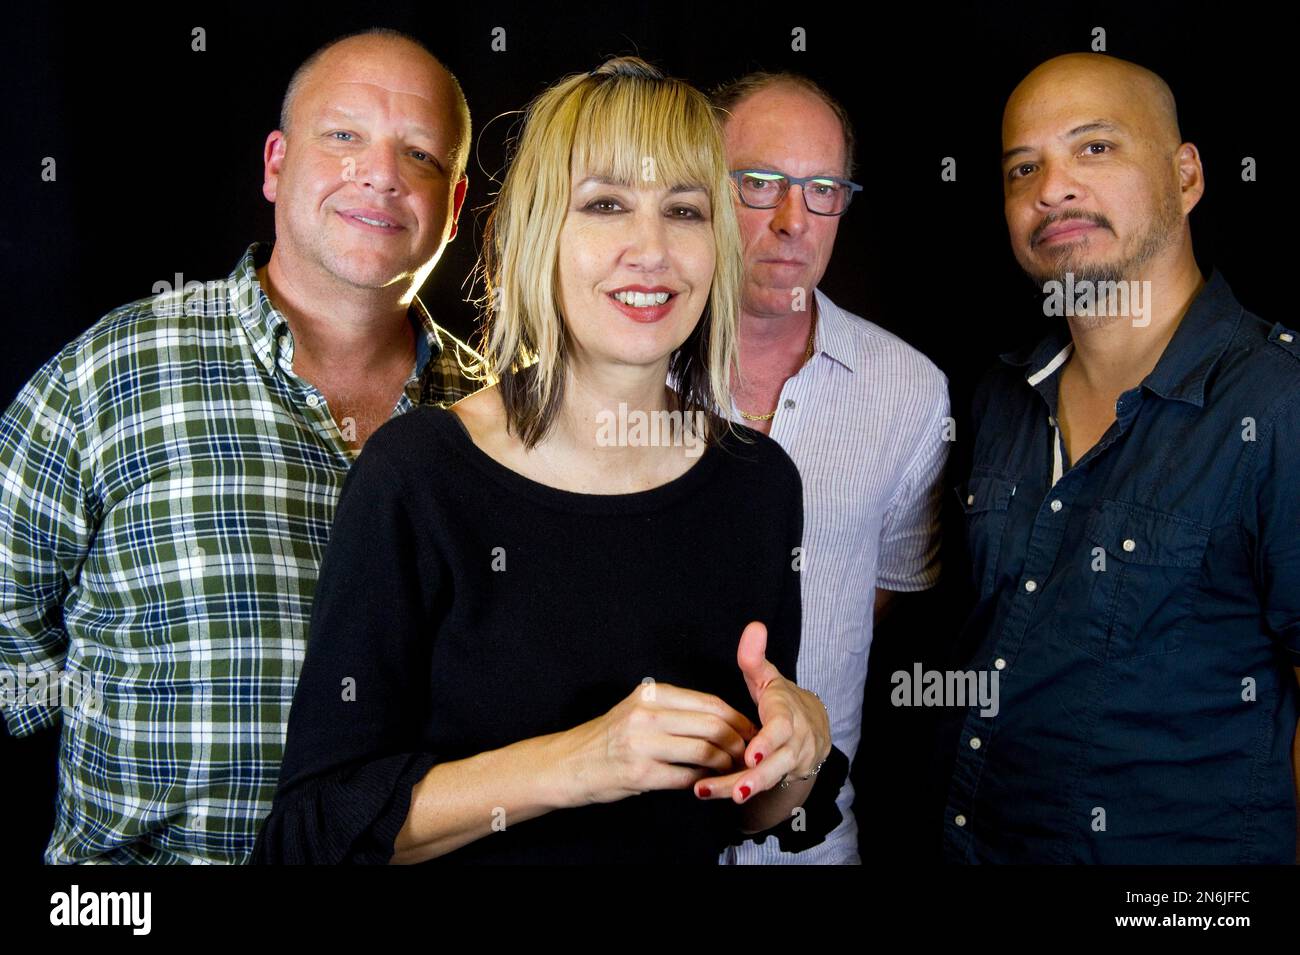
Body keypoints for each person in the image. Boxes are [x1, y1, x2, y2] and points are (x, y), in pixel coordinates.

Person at [252, 56, 848, 865]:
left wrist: (796, 757)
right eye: (605, 205)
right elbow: (314, 830)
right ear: (540, 232)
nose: (651, 250)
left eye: (684, 210)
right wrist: (581, 761)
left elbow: (743, 811)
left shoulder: (758, 483)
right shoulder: (419, 475)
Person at [0, 28, 481, 864]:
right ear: (274, 163)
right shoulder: (110, 377)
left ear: (455, 202)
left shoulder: (498, 418)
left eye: (422, 155)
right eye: (344, 137)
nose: (382, 174)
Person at [941, 52, 1300, 863]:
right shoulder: (999, 398)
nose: (1052, 187)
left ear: (1187, 176)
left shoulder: (1278, 405)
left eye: (1094, 149)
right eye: (1022, 167)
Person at [705, 73, 950, 864]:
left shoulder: (910, 391)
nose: (791, 221)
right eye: (761, 183)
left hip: (809, 847)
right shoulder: (625, 369)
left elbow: (866, 604)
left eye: (822, 190)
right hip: (633, 839)